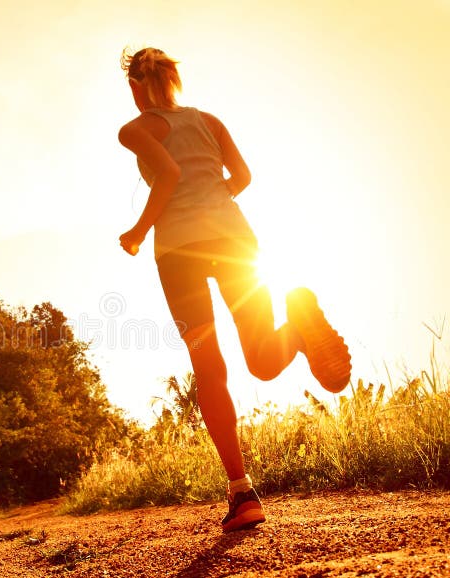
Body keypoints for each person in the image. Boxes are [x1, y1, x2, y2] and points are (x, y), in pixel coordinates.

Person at [117, 47, 351, 533]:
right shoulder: (209, 122)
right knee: (262, 359)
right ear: (172, 80)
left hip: (179, 253)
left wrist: (138, 232)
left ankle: (242, 493)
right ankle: (299, 331)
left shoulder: (135, 129)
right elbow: (242, 177)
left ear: (136, 86)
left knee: (209, 367)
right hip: (235, 239)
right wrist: (213, 202)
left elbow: (169, 174)